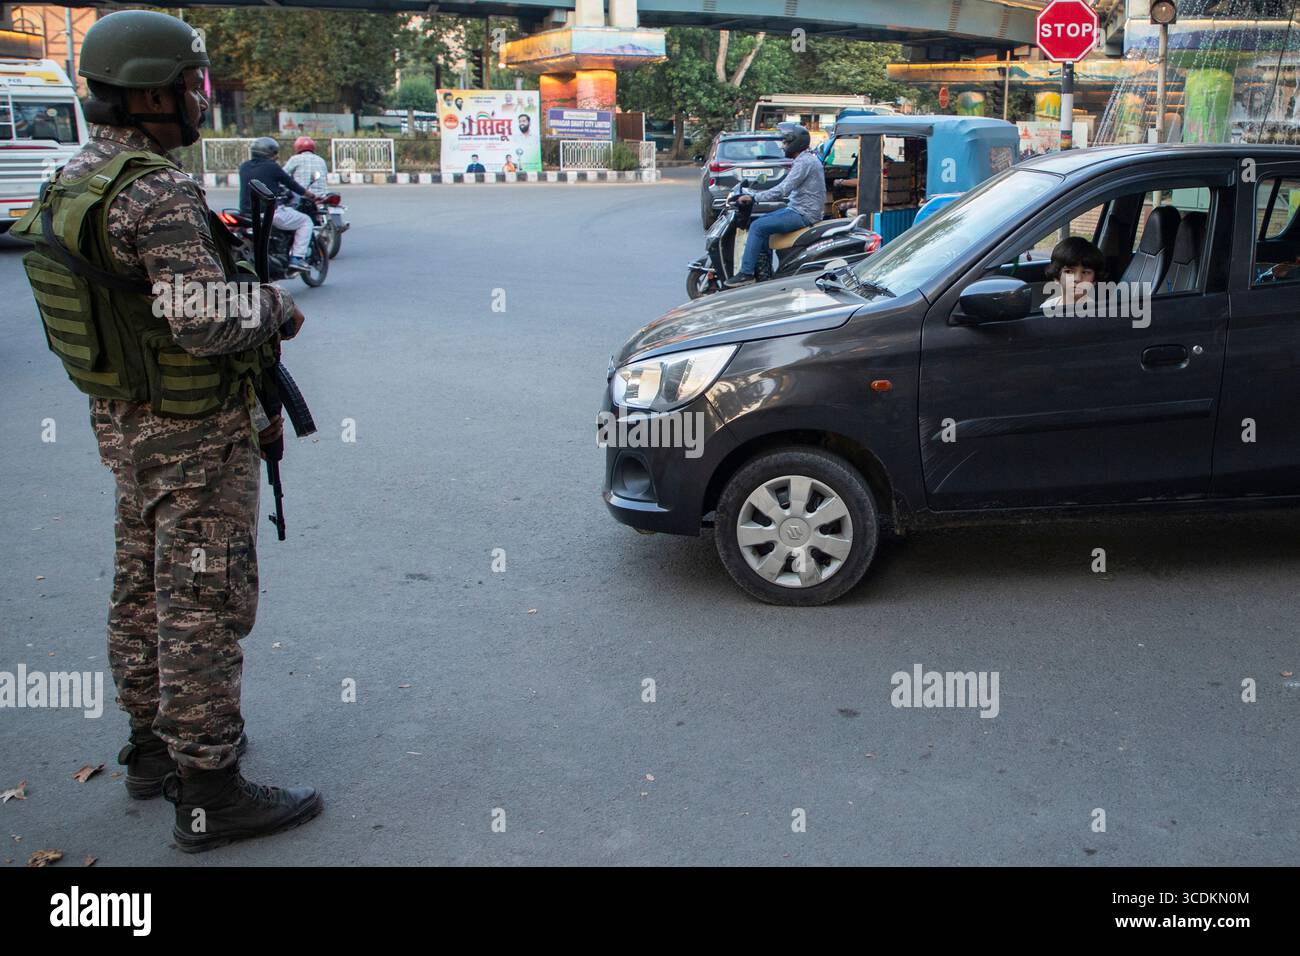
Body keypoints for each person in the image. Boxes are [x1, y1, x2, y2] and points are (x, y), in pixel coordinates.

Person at [11, 9, 321, 853]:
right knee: (200, 601)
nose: (196, 98)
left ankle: (153, 750)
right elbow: (202, 319)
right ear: (149, 91)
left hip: (127, 428)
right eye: (189, 85)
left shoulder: (75, 175)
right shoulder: (156, 189)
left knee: (141, 583)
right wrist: (276, 307)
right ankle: (210, 791)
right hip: (192, 435)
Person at [725, 123, 826, 288]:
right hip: (799, 208)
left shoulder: (804, 162)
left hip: (803, 213)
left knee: (757, 226)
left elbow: (783, 189)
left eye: (786, 142)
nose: (783, 146)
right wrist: (753, 193)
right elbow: (784, 187)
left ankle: (746, 273)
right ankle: (764, 274)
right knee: (761, 225)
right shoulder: (806, 160)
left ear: (795, 143)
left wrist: (753, 197)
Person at [239, 137, 312, 272]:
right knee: (306, 221)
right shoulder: (272, 167)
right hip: (269, 213)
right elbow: (292, 184)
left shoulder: (244, 167)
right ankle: (297, 258)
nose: (277, 156)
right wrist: (310, 195)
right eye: (274, 153)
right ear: (268, 153)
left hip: (245, 214)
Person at [1040, 236, 1105, 315]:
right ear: (1056, 278)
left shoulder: (1098, 312)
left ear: (1094, 280)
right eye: (1069, 272)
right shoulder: (1047, 306)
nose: (1077, 279)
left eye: (1085, 272)